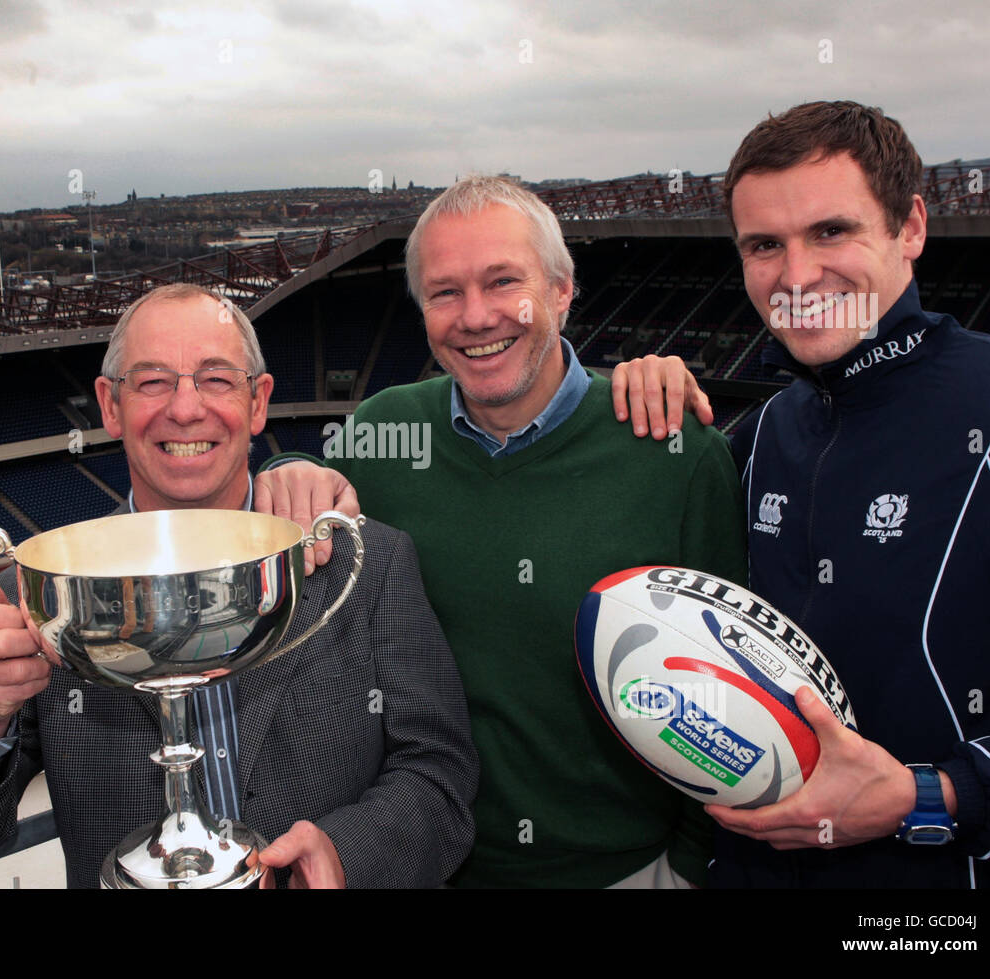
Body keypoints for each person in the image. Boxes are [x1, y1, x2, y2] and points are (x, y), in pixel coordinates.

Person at [0, 283, 478, 889]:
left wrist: (345, 856)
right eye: (152, 382)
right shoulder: (44, 596)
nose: (187, 409)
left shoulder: (370, 562)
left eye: (217, 379)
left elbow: (439, 776)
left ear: (258, 401)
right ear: (110, 406)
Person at [254, 176, 748, 887]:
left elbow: (730, 685)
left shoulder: (671, 448)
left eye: (502, 282)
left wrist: (692, 863)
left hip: (623, 871)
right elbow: (321, 492)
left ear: (560, 290)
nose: (476, 316)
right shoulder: (384, 432)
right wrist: (293, 467)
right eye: (445, 292)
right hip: (423, 864)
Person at [612, 101, 990, 887]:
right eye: (765, 245)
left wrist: (926, 795)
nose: (797, 277)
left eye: (831, 231)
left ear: (910, 227)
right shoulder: (762, 435)